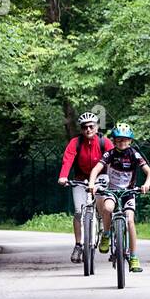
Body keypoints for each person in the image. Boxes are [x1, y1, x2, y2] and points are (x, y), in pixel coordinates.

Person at [86, 122, 150, 272]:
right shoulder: (110, 154)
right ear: (114, 141)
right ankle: (106, 234)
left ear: (130, 141)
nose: (121, 142)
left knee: (130, 220)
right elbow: (96, 169)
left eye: (125, 140)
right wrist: (92, 183)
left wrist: (146, 185)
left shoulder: (134, 154)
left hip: (129, 192)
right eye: (118, 140)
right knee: (107, 207)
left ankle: (134, 257)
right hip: (112, 191)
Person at [56, 111, 112, 262]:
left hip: (101, 177)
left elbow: (113, 160)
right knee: (78, 211)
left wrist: (112, 178)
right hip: (81, 179)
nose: (88, 129)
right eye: (84, 127)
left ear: (97, 127)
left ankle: (106, 232)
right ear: (81, 129)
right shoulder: (75, 142)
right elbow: (68, 160)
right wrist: (63, 176)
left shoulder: (104, 142)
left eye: (91, 126)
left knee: (104, 207)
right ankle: (79, 245)